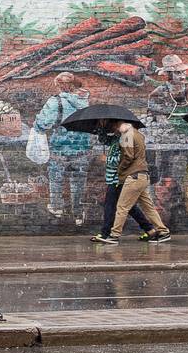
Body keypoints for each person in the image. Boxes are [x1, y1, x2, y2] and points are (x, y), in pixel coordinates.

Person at [97, 119, 171, 244]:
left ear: (118, 124)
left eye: (114, 126)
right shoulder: (137, 134)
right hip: (142, 176)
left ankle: (114, 235)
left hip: (133, 176)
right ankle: (163, 232)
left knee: (122, 206)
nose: (114, 129)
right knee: (149, 207)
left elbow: (128, 156)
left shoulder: (127, 135)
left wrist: (120, 170)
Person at [34, 72, 92, 225]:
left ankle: (57, 207)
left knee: (56, 179)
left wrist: (38, 124)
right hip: (82, 148)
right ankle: (78, 214)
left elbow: (42, 124)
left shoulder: (55, 102)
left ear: (59, 85)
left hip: (60, 148)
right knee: (78, 182)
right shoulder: (85, 100)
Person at [91, 125, 156, 243]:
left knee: (110, 206)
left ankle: (106, 233)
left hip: (118, 179)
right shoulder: (117, 139)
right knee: (130, 207)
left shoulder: (125, 139)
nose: (114, 128)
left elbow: (124, 159)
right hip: (113, 178)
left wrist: (106, 160)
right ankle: (149, 229)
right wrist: (100, 131)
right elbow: (106, 140)